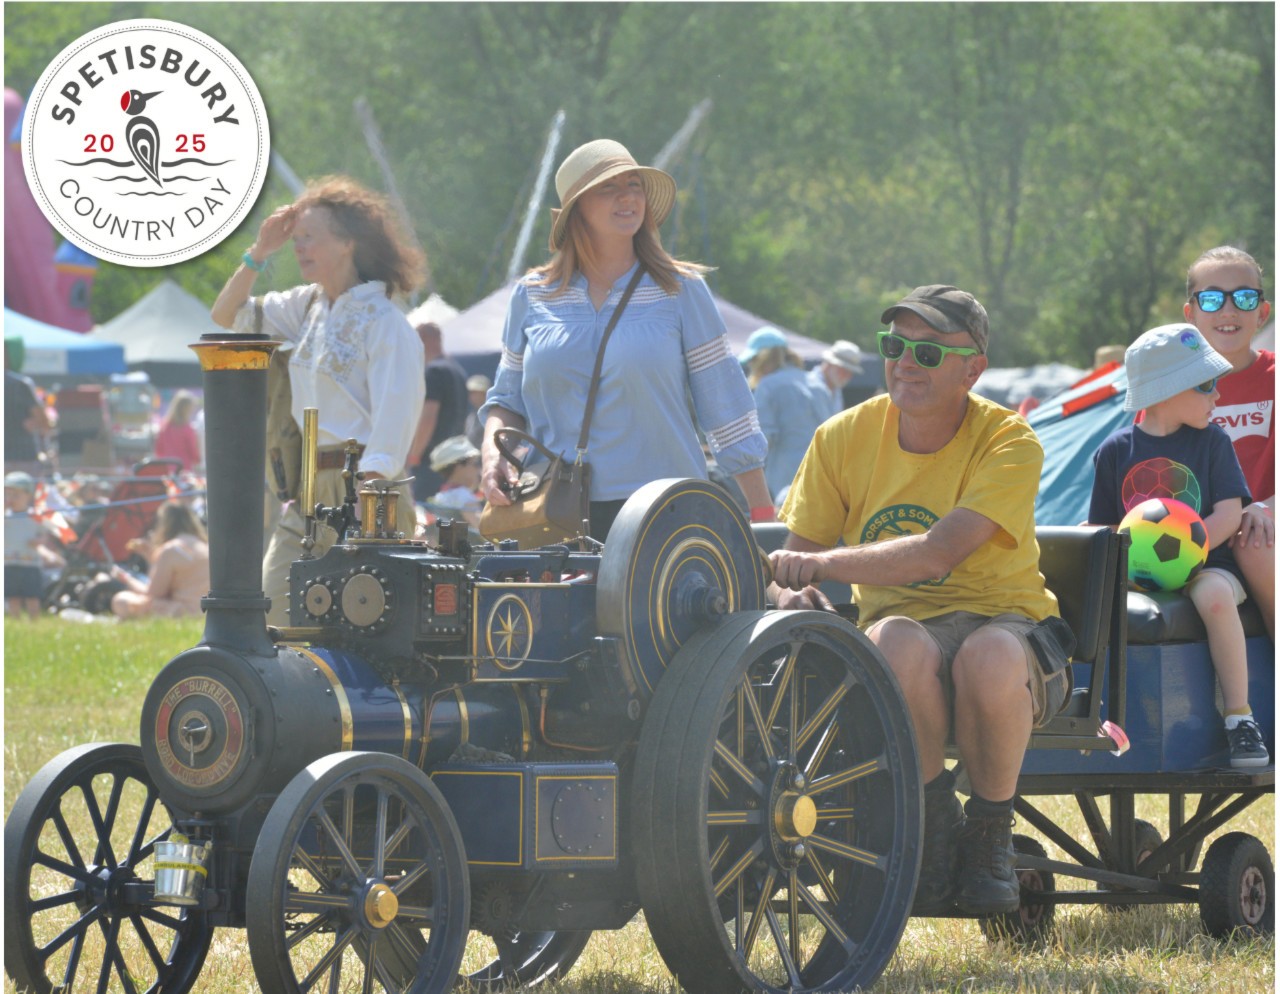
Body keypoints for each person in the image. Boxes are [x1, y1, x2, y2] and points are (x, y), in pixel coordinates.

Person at [768, 284, 1067, 916]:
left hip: (1007, 625)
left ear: (973, 369)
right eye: (895, 345)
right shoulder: (841, 435)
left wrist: (820, 564)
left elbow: (938, 552)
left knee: (986, 654)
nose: (905, 361)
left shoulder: (1011, 440)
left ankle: (991, 837)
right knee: (892, 641)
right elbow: (793, 566)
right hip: (906, 633)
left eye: (928, 352)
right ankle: (932, 824)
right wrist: (792, 595)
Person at [479, 138, 772, 539]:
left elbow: (727, 408)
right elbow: (506, 401)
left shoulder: (681, 289)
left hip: (665, 510)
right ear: (576, 208)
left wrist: (762, 513)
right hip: (554, 514)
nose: (627, 196)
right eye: (608, 187)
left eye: (634, 185)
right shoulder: (532, 295)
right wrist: (492, 456)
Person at [211, 175, 426, 625]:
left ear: (348, 243)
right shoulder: (307, 307)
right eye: (296, 238)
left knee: (363, 633)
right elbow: (226, 315)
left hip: (368, 489)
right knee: (268, 611)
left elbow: (397, 410)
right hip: (308, 490)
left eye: (309, 237)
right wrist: (259, 251)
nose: (299, 247)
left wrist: (367, 494)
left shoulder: (385, 319)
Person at [1090, 324, 1267, 768]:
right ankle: (1097, 717)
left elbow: (1229, 515)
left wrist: (1188, 556)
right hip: (1137, 575)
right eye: (1207, 385)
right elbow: (1103, 527)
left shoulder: (1213, 442)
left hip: (1210, 564)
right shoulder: (1114, 451)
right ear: (1165, 390)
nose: (1218, 396)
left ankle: (1240, 719)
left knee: (1216, 600)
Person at [1182, 246, 1274, 644]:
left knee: (1253, 538)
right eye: (1213, 298)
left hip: (1263, 528)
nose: (1229, 310)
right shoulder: (1172, 390)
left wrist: (1265, 507)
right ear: (1191, 314)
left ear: (1263, 312)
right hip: (1204, 537)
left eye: (1245, 297)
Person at [744, 328, 837, 503]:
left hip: (785, 482)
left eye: (752, 360)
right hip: (826, 477)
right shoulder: (818, 385)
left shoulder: (767, 386)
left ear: (763, 358)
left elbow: (764, 440)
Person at [108, 500, 211, 620]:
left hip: (185, 611)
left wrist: (125, 578)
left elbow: (153, 594)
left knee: (121, 600)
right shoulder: (203, 545)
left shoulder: (170, 549)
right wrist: (151, 557)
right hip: (207, 610)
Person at [407, 322, 469, 500]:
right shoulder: (458, 371)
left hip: (431, 461)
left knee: (424, 514)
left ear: (423, 341)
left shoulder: (433, 371)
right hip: (454, 460)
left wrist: (413, 456)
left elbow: (428, 416)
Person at [5, 471, 61, 617]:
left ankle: (34, 620)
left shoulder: (35, 516)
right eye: (8, 495)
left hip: (30, 563)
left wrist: (40, 541)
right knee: (13, 595)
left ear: (28, 496)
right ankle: (15, 619)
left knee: (32, 596)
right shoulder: (5, 516)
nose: (11, 499)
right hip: (9, 562)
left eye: (16, 495)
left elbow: (44, 535)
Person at [424, 435, 484, 531]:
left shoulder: (441, 495)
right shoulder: (463, 495)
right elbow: (482, 526)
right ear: (459, 467)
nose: (479, 469)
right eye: (475, 464)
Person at [5, 344, 50, 472]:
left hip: (22, 458)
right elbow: (44, 423)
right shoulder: (21, 384)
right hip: (23, 461)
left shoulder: (20, 385)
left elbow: (42, 422)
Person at [154, 390, 201, 471]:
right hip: (184, 471)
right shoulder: (187, 429)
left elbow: (159, 451)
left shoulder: (164, 427)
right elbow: (194, 454)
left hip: (167, 471)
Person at [464, 374, 491, 448]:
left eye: (475, 392)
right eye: (470, 392)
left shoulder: (492, 415)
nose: (472, 396)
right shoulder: (471, 416)